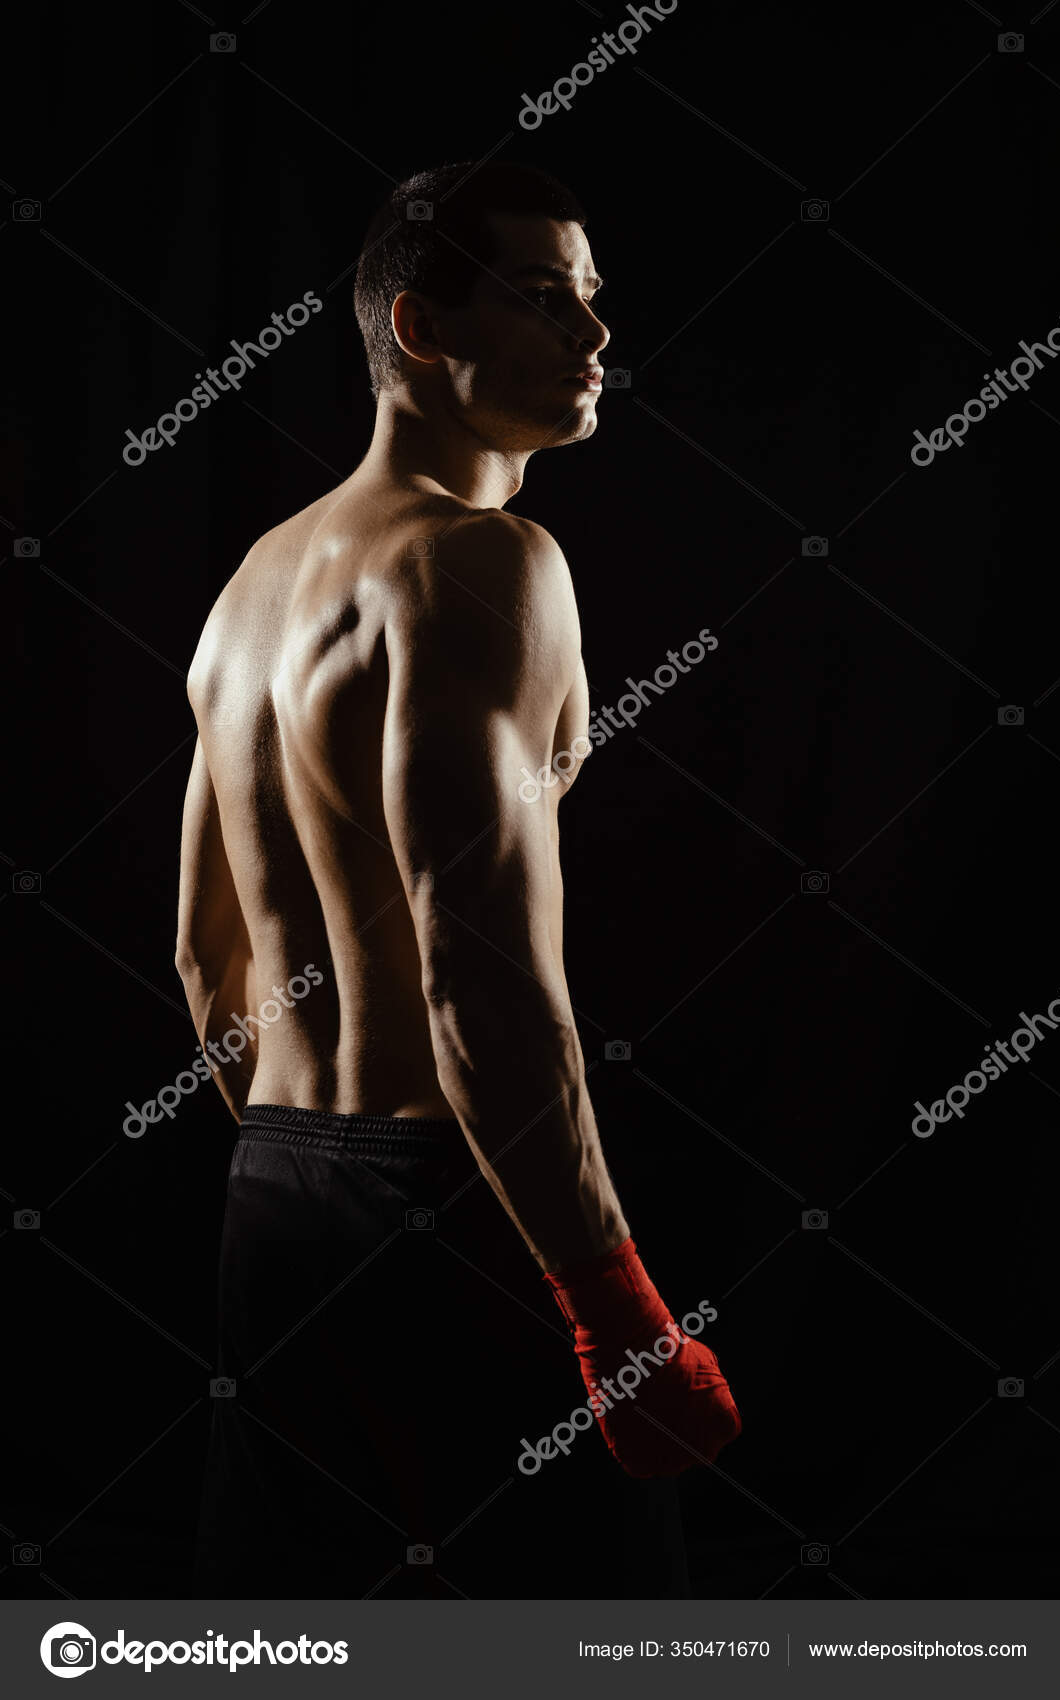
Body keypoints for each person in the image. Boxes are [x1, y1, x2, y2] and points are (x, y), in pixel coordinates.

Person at [178, 161, 739, 1600]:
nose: (594, 335)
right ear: (421, 331)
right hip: (455, 1202)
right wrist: (612, 1304)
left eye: (593, 297)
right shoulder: (484, 561)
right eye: (545, 299)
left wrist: (317, 1176)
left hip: (276, 1195)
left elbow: (205, 961)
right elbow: (476, 969)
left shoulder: (250, 592)